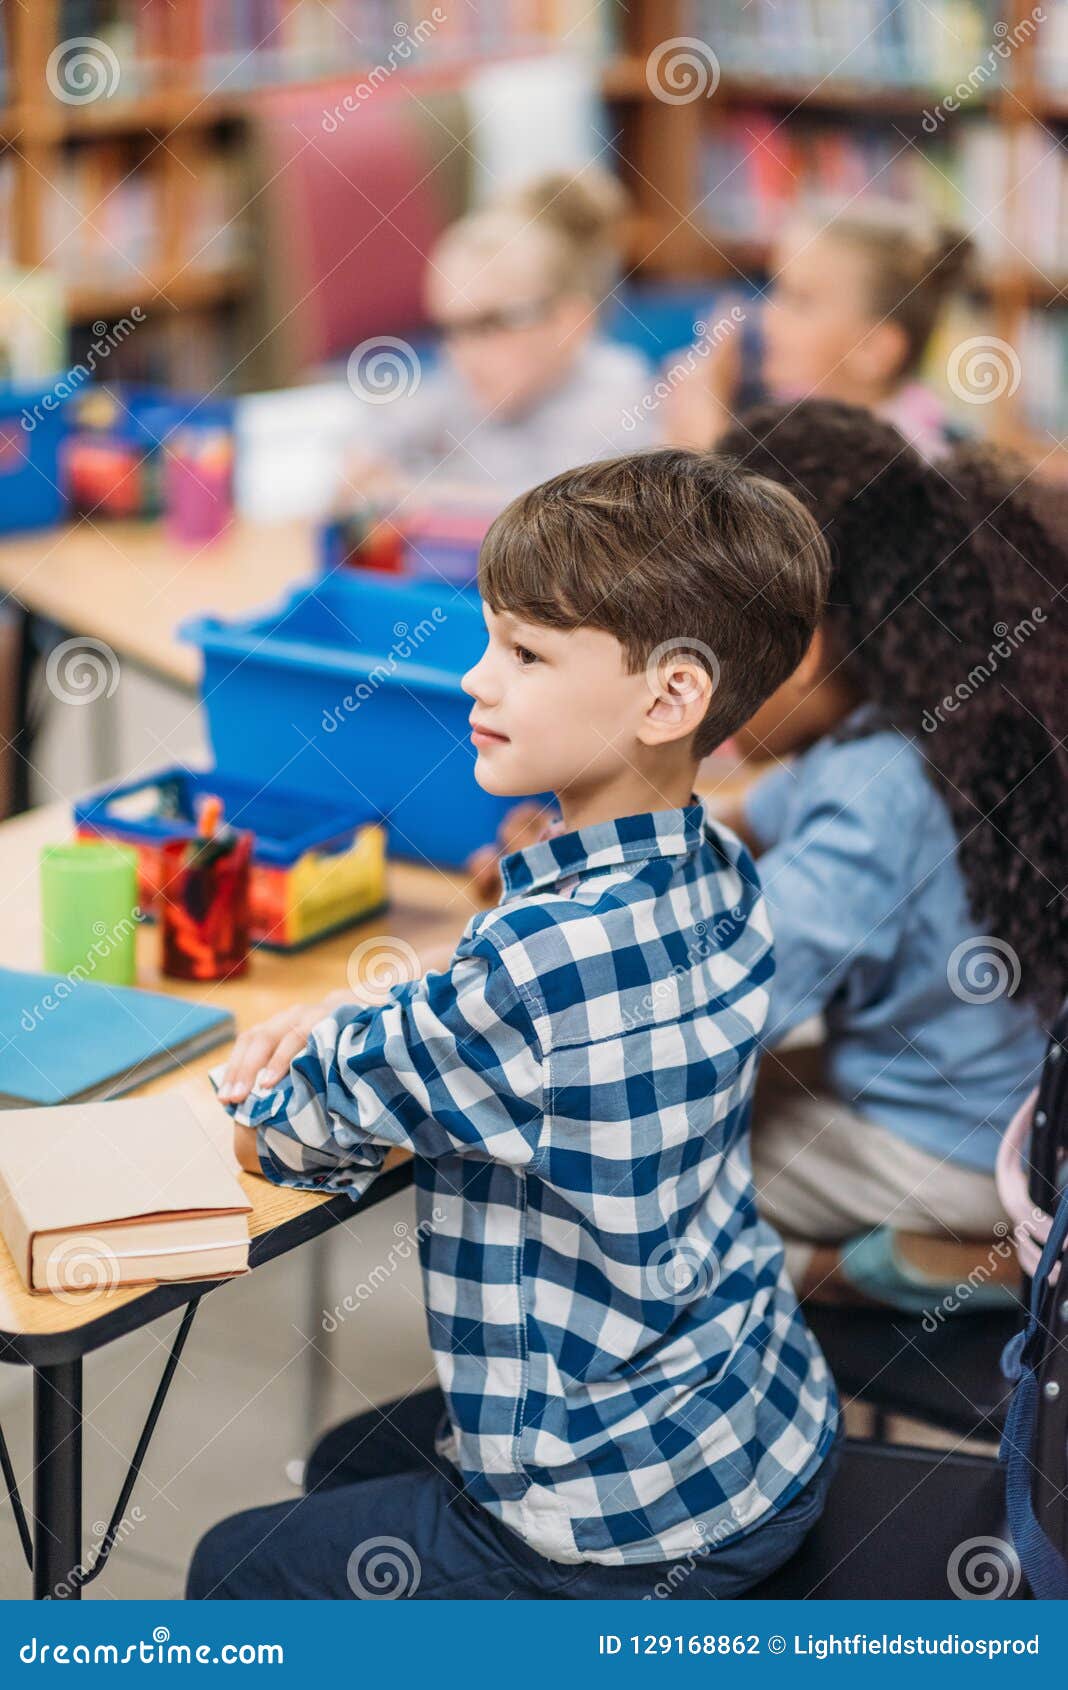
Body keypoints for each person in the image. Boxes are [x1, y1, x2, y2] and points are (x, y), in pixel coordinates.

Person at [187, 449, 840, 1600]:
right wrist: (383, 1011)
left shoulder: (536, 966)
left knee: (231, 1566)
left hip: (609, 1520)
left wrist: (319, 1045)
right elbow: (494, 1007)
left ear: (669, 697)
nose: (476, 682)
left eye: (526, 654)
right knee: (342, 1460)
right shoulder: (722, 864)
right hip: (755, 1425)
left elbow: (285, 1135)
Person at [713, 399, 1064, 1309]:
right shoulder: (957, 711)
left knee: (664, 1149)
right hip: (1024, 1112)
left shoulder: (873, 789)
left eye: (716, 637)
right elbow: (750, 814)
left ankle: (837, 1279)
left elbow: (724, 999)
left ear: (808, 639)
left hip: (953, 1147)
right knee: (783, 1080)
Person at [346, 168, 653, 505]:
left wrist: (409, 496)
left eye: (489, 325)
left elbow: (550, 519)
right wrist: (364, 466)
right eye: (450, 329)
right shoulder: (467, 388)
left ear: (570, 322)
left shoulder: (618, 404)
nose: (462, 354)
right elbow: (380, 435)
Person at [665, 204, 973, 461]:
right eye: (775, 290)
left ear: (871, 349)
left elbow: (775, 528)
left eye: (800, 300)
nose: (769, 316)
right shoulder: (778, 414)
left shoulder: (898, 465)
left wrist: (706, 446)